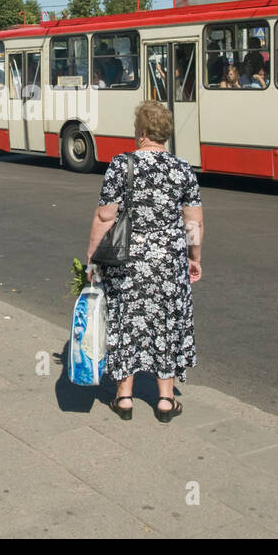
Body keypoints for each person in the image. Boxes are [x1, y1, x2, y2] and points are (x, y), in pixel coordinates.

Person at [86, 101, 203, 423]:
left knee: (126, 320)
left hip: (128, 260)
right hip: (168, 260)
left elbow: (104, 216)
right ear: (165, 134)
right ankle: (165, 400)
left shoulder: (121, 165)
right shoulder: (183, 168)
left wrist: (92, 259)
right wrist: (194, 258)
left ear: (141, 132)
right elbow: (193, 223)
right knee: (165, 322)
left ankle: (124, 397)